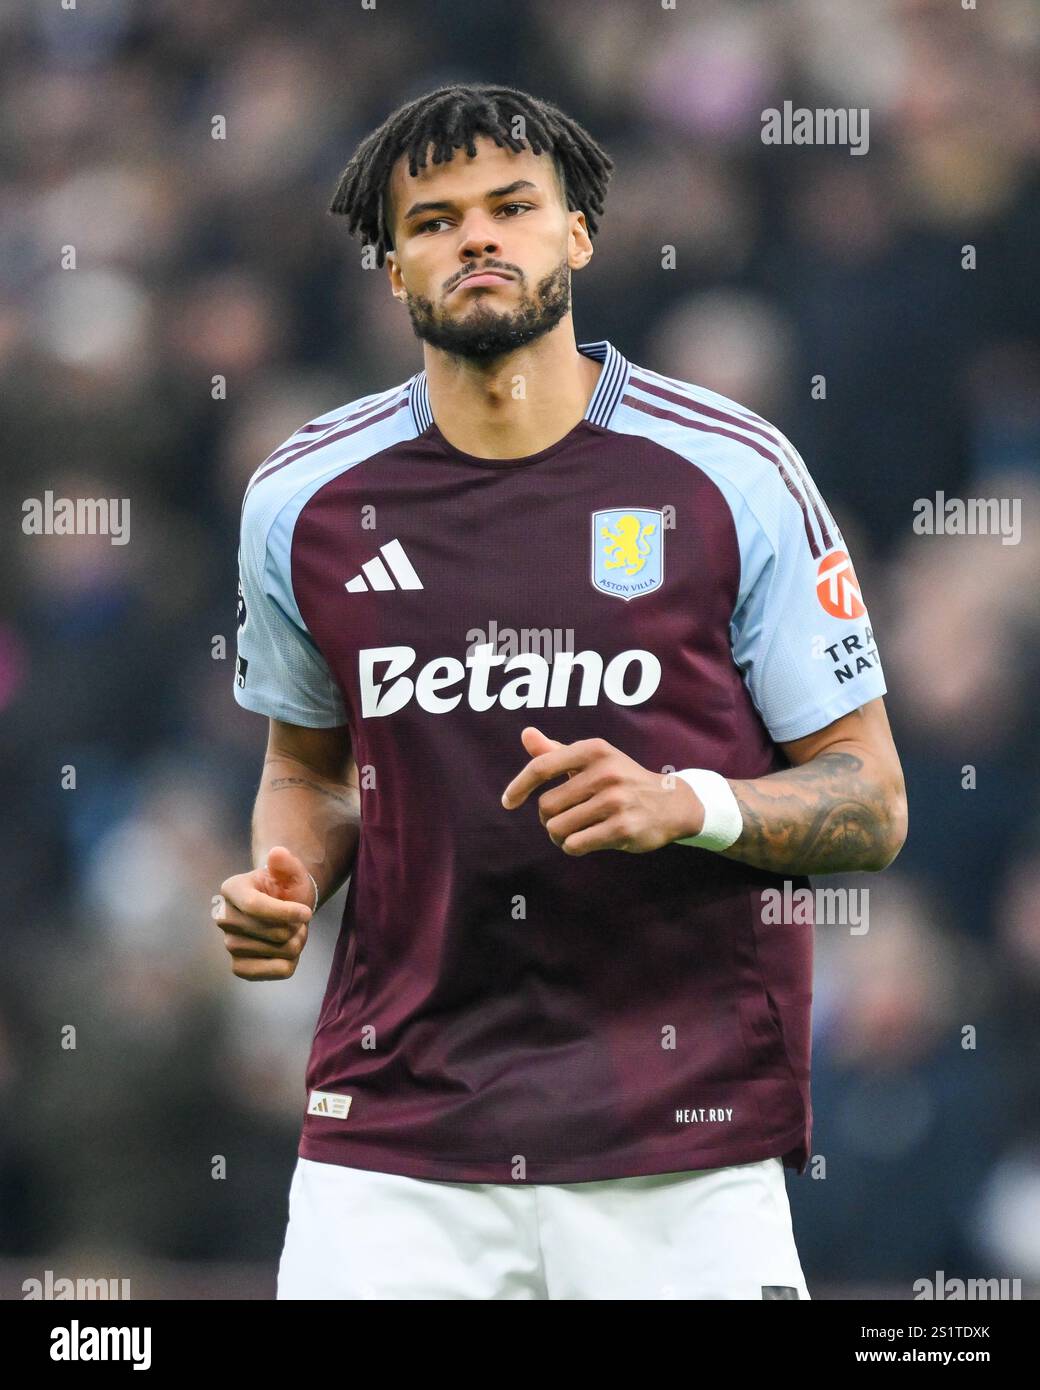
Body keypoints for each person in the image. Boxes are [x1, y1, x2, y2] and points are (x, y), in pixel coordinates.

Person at [213, 83, 907, 1300]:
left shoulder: (731, 471)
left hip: (678, 1145)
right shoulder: (303, 499)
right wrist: (288, 877)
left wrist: (689, 803)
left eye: (510, 207)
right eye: (430, 221)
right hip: (397, 1142)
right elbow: (304, 772)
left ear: (576, 234)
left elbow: (871, 801)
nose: (474, 238)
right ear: (390, 269)